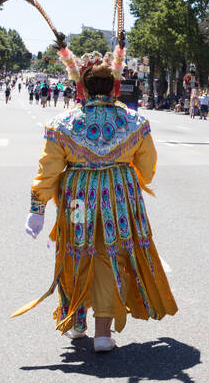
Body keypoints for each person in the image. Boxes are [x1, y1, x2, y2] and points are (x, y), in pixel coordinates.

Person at [21, 45, 176, 351]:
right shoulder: (135, 123)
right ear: (114, 86)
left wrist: (37, 207)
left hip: (78, 201)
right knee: (108, 256)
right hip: (118, 199)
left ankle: (77, 323)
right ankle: (103, 333)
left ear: (82, 86)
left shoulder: (62, 124)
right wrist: (125, 172)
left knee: (76, 250)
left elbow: (48, 169)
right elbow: (147, 169)